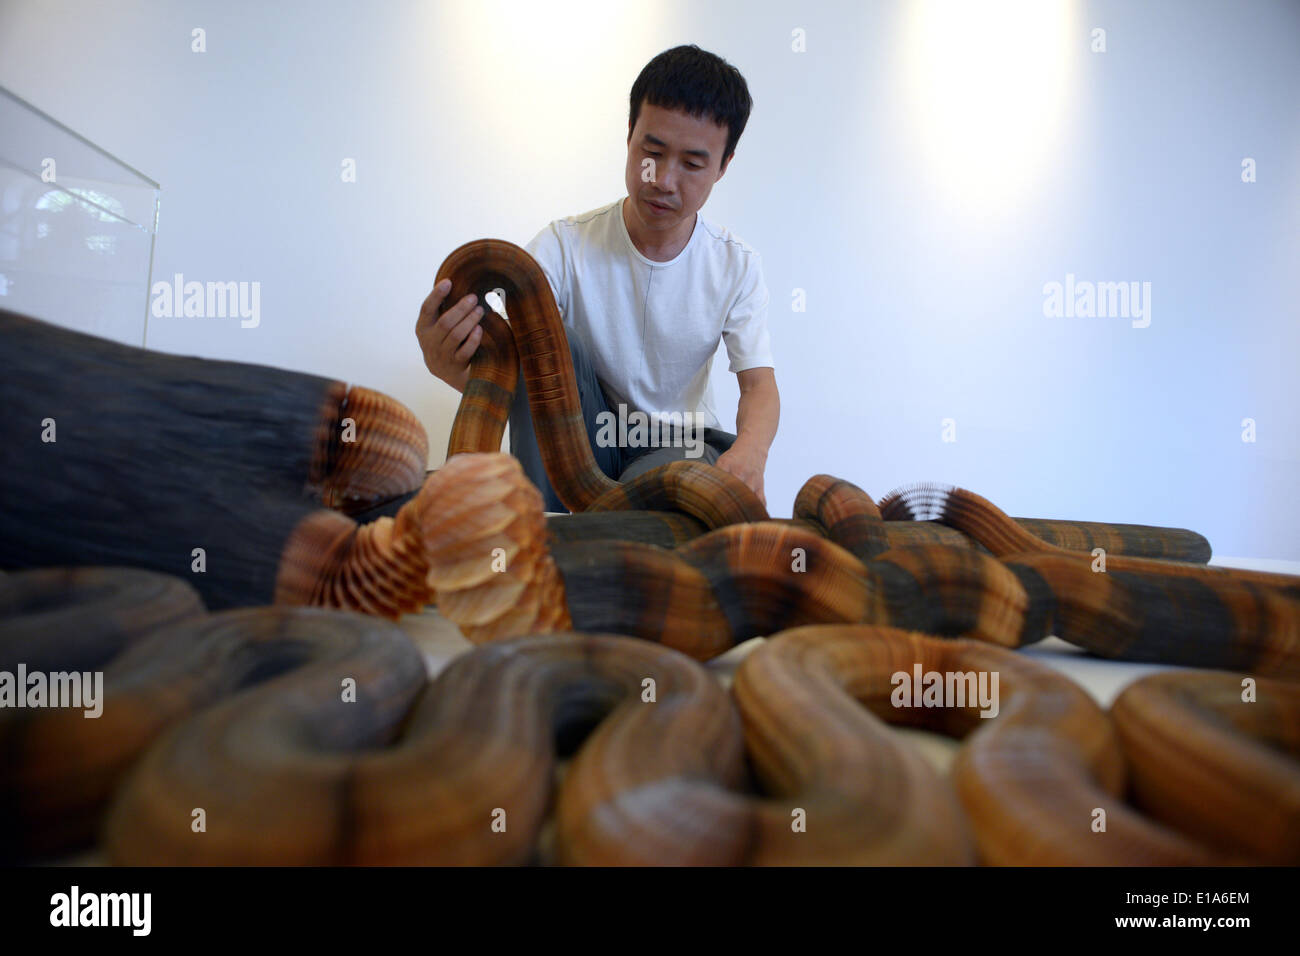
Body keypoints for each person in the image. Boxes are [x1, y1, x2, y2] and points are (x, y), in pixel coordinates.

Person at [416, 44, 779, 511]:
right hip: (577, 438)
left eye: (692, 164)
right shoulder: (563, 245)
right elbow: (514, 371)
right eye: (652, 151)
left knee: (644, 506)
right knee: (543, 334)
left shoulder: (736, 265)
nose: (664, 180)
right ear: (629, 135)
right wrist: (447, 363)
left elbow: (759, 386)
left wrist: (751, 452)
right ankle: (542, 535)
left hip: (676, 445)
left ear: (723, 167)